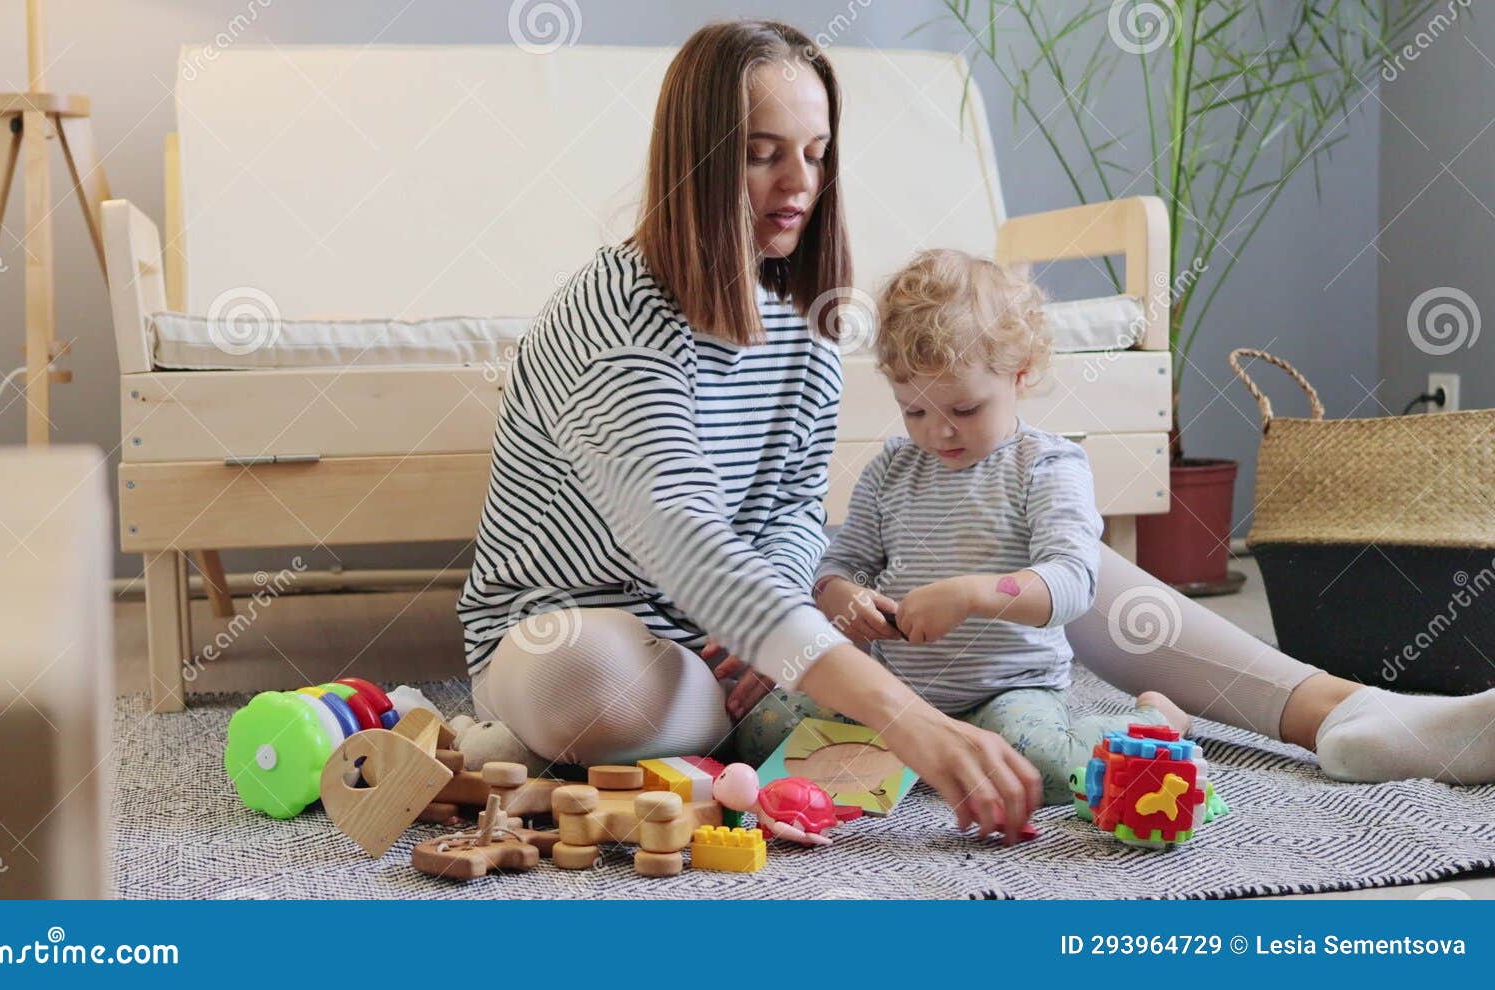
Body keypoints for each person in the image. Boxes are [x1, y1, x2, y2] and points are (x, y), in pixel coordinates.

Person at [457, 19, 1495, 846]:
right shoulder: (613, 314)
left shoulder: (803, 320)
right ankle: (777, 705)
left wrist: (770, 626)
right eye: (763, 156)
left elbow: (778, 513)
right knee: (580, 678)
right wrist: (902, 713)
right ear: (695, 158)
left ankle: (1349, 713)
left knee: (1053, 556)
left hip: (735, 648)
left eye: (815, 155)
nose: (796, 187)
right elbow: (682, 533)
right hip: (595, 630)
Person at [729, 249, 1191, 799]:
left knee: (1043, 764)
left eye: (965, 411)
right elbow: (837, 565)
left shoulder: (1045, 465)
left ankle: (1155, 724)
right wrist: (844, 598)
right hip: (897, 694)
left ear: (1019, 375)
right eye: (915, 411)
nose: (939, 434)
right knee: (759, 733)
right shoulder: (892, 470)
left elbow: (1074, 581)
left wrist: (973, 595)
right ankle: (929, 756)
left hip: (1007, 693)